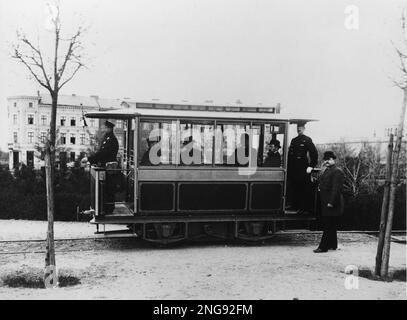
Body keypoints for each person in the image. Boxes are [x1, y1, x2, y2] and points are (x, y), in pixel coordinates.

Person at [82, 120, 119, 215]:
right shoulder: (107, 138)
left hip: (109, 168)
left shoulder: (111, 140)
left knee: (108, 188)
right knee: (106, 188)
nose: (103, 129)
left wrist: (90, 158)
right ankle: (106, 208)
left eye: (105, 128)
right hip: (107, 167)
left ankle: (108, 208)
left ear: (109, 128)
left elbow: (103, 153)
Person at [314, 151, 345, 253]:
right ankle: (333, 245)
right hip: (326, 202)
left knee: (328, 225)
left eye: (329, 159)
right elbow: (321, 182)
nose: (327, 161)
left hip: (332, 203)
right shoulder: (327, 170)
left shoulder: (337, 171)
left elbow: (336, 189)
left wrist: (331, 202)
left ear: (333, 160)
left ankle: (323, 247)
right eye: (325, 159)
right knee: (331, 225)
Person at [287, 122, 318, 213]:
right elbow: (290, 155)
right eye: (298, 127)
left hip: (302, 169)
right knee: (294, 187)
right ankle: (294, 206)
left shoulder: (307, 140)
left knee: (302, 188)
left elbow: (314, 154)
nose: (299, 129)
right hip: (293, 168)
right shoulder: (293, 140)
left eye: (300, 127)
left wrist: (311, 166)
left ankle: (303, 208)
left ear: (304, 128)